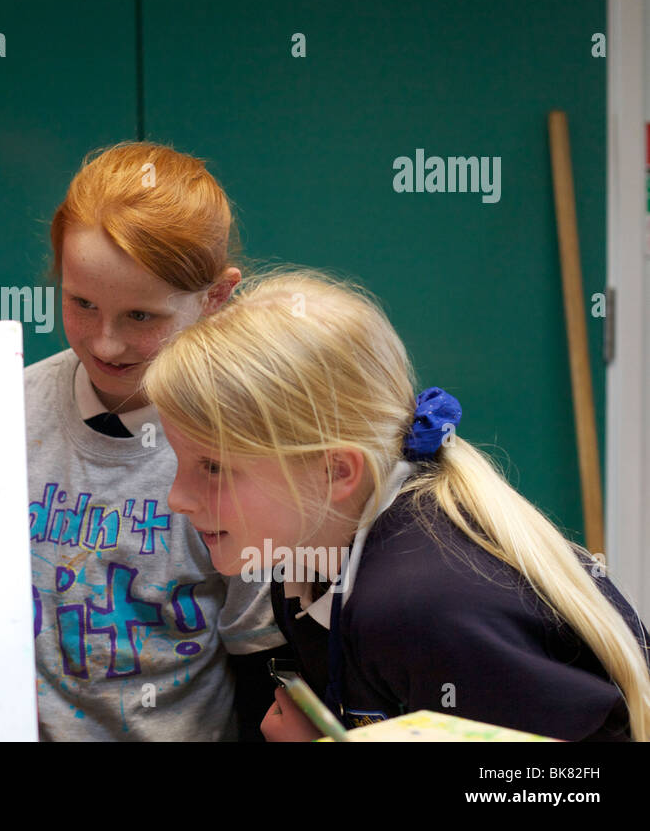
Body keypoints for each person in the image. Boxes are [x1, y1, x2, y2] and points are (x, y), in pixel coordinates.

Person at [144, 269, 650, 741]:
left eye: (212, 468)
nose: (177, 499)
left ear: (337, 471)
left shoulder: (424, 609)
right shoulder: (303, 559)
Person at [26, 141, 287, 741]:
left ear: (215, 297)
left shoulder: (245, 447)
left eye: (141, 317)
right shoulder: (4, 416)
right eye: (81, 303)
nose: (106, 343)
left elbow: (261, 664)